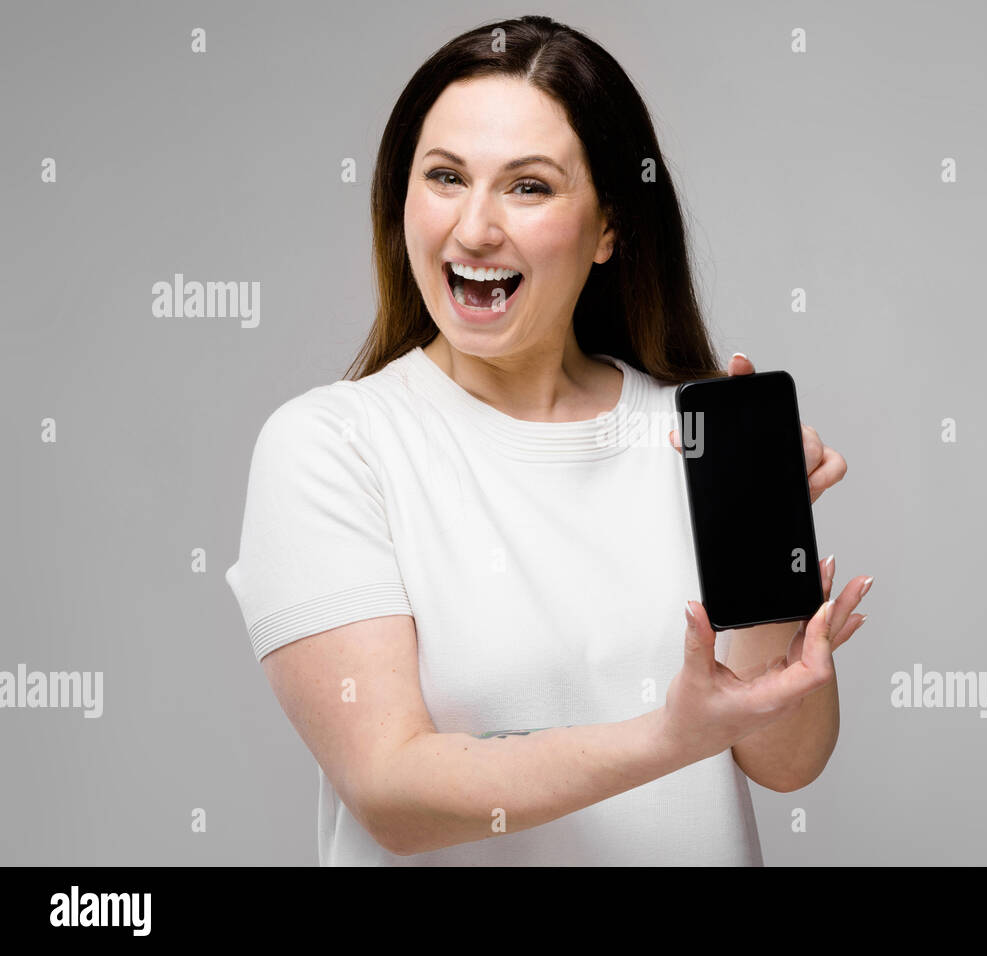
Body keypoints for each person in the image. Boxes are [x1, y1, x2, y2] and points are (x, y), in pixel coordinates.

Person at [225, 14, 870, 866]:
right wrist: (670, 736)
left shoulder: (697, 436)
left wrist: (763, 535)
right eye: (446, 177)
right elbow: (392, 793)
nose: (476, 229)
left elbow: (788, 761)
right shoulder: (333, 448)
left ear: (610, 228)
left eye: (528, 187)